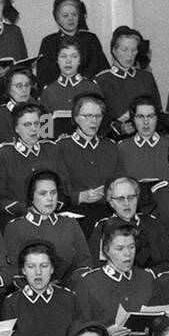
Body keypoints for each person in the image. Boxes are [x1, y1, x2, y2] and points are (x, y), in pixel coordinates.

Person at [74, 220, 154, 336]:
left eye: (131, 247)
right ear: (106, 251)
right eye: (120, 248)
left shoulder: (147, 278)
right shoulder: (89, 282)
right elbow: (80, 327)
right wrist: (105, 334)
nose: (128, 254)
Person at [2, 169, 92, 282]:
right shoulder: (16, 227)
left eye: (53, 193)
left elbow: (85, 262)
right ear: (31, 197)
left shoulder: (70, 223)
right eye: (43, 193)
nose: (50, 198)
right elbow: (14, 273)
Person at [55, 93, 120, 238]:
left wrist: (110, 193)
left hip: (109, 212)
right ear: (76, 117)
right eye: (88, 116)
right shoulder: (62, 147)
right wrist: (80, 196)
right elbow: (58, 187)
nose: (93, 121)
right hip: (75, 215)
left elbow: (120, 178)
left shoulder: (110, 146)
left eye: (98, 116)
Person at [0, 102, 62, 220]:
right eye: (27, 124)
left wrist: (50, 207)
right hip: (18, 220)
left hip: (51, 217)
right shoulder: (4, 154)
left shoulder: (52, 149)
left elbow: (63, 188)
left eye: (36, 123)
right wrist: (27, 210)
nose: (33, 129)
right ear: (16, 128)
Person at [91, 175, 169, 273]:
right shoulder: (103, 227)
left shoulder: (152, 223)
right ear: (110, 202)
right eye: (120, 198)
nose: (127, 203)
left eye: (131, 197)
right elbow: (99, 267)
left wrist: (149, 275)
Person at [35, 0, 109, 90]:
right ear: (57, 19)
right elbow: (43, 77)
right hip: (59, 93)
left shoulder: (91, 39)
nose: (71, 18)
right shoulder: (49, 42)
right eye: (65, 15)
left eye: (74, 14)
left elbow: (103, 70)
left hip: (89, 91)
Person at [94, 26, 160, 130]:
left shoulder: (146, 77)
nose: (129, 55)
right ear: (114, 51)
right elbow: (98, 118)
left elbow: (157, 110)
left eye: (133, 50)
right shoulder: (102, 80)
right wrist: (119, 127)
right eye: (124, 50)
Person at [38, 35, 100, 139]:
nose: (68, 61)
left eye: (74, 56)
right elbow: (45, 132)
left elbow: (102, 124)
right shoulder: (48, 92)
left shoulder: (92, 88)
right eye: (63, 56)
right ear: (57, 59)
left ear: (80, 59)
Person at [115, 96, 169, 184]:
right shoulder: (122, 148)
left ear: (157, 118)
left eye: (150, 116)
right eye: (140, 117)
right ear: (133, 118)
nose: (146, 122)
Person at [0, 65, 40, 147]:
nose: (24, 90)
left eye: (27, 85)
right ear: (8, 88)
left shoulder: (42, 110)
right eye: (19, 86)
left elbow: (47, 141)